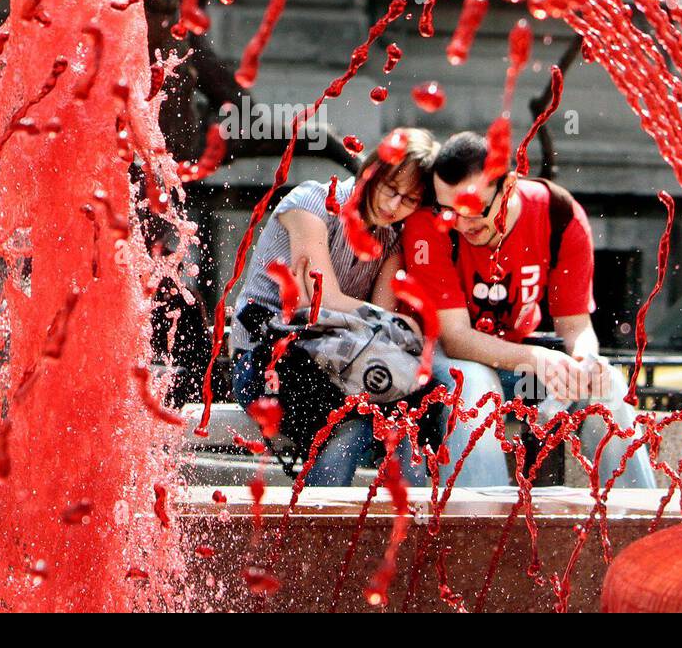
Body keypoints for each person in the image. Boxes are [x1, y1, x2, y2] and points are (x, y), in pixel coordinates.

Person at [401, 131, 656, 489]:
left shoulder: (558, 213)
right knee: (476, 385)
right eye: (449, 210)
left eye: (473, 209)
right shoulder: (428, 225)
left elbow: (576, 326)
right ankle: (482, 532)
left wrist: (582, 361)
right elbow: (456, 340)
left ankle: (638, 528)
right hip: (432, 361)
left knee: (607, 383)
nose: (460, 222)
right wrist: (539, 359)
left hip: (514, 359)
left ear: (508, 186)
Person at [229, 128, 440, 485]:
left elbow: (379, 333)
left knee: (414, 414)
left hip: (342, 365)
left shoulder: (390, 241)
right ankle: (320, 532)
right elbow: (323, 300)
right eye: (390, 189)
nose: (393, 205)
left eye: (407, 200)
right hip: (270, 359)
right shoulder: (311, 202)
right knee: (348, 425)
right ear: (372, 170)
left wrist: (382, 321)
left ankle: (410, 531)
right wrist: (385, 320)